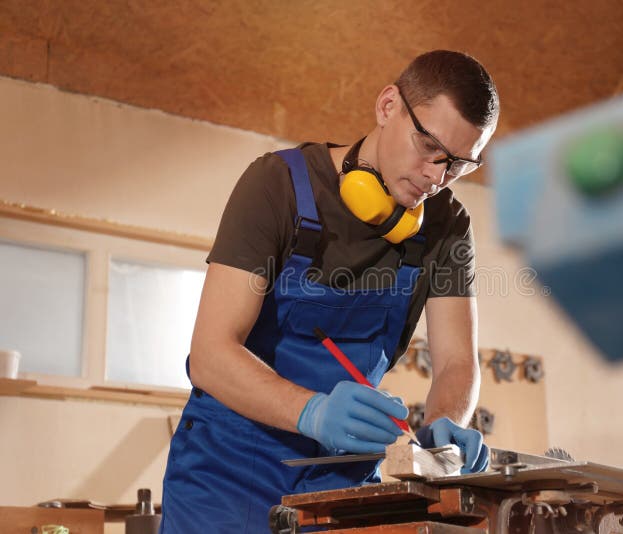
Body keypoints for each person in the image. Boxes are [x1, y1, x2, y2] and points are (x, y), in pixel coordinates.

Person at [160, 49, 500, 533]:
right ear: (387, 107)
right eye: (428, 146)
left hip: (343, 476)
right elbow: (211, 353)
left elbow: (456, 363)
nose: (436, 176)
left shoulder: (446, 223)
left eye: (459, 164)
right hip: (228, 472)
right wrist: (311, 411)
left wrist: (445, 429)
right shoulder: (277, 185)